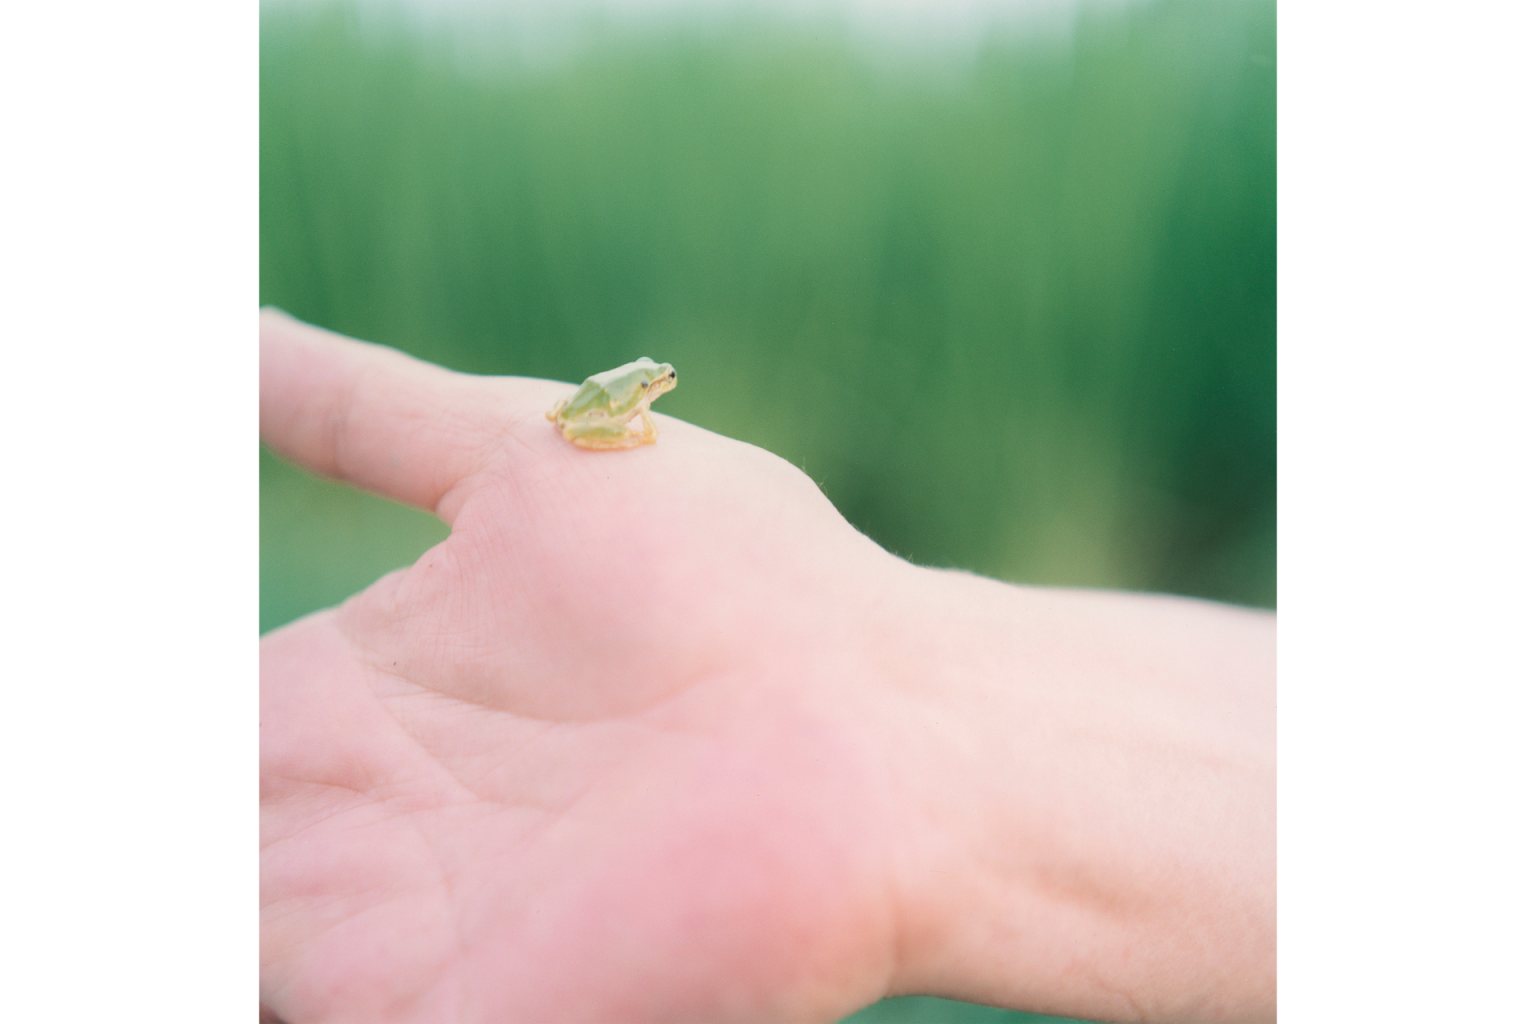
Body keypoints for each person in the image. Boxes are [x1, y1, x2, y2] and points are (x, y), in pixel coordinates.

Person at [257, 308, 1277, 1024]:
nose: (664, 386)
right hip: (588, 425)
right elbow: (603, 418)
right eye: (660, 380)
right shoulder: (629, 403)